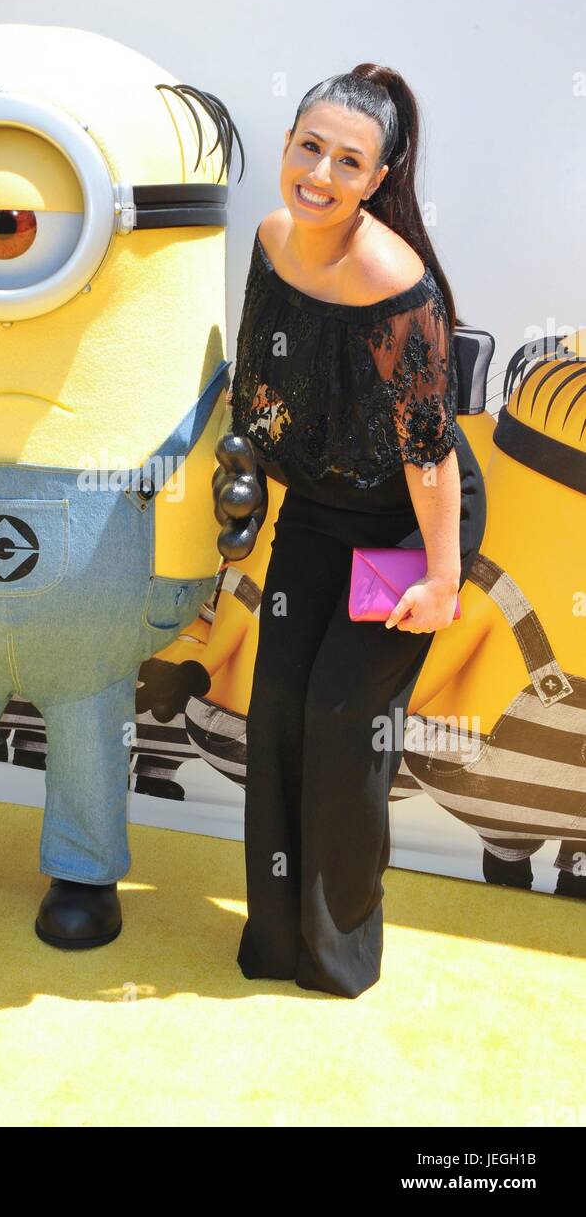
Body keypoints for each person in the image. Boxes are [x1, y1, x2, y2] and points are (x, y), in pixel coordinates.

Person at [226, 63, 487, 998]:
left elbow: (429, 455)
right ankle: (277, 942)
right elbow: (259, 383)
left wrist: (444, 581)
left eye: (349, 161)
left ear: (378, 178)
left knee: (344, 721)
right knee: (277, 716)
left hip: (408, 525)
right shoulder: (268, 239)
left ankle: (339, 959)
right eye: (309, 148)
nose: (321, 175)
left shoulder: (393, 280)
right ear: (288, 145)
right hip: (321, 511)